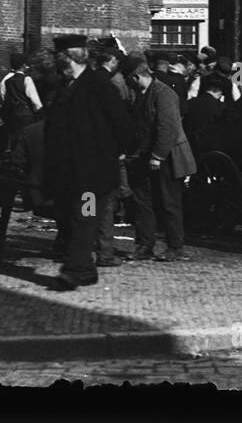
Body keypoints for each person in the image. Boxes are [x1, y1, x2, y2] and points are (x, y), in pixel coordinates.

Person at [45, 35, 136, 290]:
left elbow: (123, 124)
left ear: (67, 59)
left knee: (84, 218)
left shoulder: (97, 84)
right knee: (76, 218)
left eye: (57, 59)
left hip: (93, 172)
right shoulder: (68, 86)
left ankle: (74, 270)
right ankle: (85, 270)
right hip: (71, 170)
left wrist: (114, 152)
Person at [124, 54, 197, 262]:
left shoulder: (163, 93)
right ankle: (145, 244)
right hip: (145, 156)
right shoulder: (141, 94)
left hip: (167, 157)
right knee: (142, 200)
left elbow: (168, 128)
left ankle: (175, 246)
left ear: (136, 77)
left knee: (169, 202)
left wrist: (157, 156)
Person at [89, 39, 134, 267]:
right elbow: (121, 122)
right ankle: (104, 252)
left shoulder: (84, 83)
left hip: (85, 157)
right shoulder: (109, 85)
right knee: (105, 206)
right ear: (113, 61)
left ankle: (84, 249)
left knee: (87, 204)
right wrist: (122, 149)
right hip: (105, 157)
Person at [0, 53, 43, 151]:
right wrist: (41, 111)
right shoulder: (27, 79)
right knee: (26, 139)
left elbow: (5, 98)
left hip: (13, 114)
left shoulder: (8, 81)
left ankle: (14, 160)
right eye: (26, 65)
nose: (27, 66)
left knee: (15, 138)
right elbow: (34, 99)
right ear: (23, 66)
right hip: (26, 114)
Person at [184, 72, 232, 158]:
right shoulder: (221, 108)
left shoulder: (190, 103)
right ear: (219, 92)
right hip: (207, 149)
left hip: (187, 145)